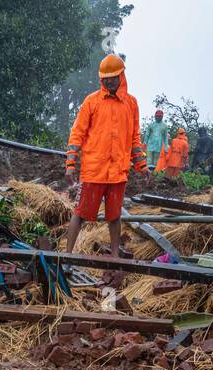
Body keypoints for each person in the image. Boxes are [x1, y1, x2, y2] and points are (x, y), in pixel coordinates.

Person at [63, 54, 147, 258]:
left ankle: (115, 256)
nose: (108, 81)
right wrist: (70, 163)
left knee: (114, 216)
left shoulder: (131, 104)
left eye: (112, 77)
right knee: (80, 213)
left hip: (118, 172)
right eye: (105, 78)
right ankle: (67, 255)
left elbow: (135, 137)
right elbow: (77, 133)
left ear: (122, 76)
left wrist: (142, 164)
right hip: (94, 170)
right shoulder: (92, 102)